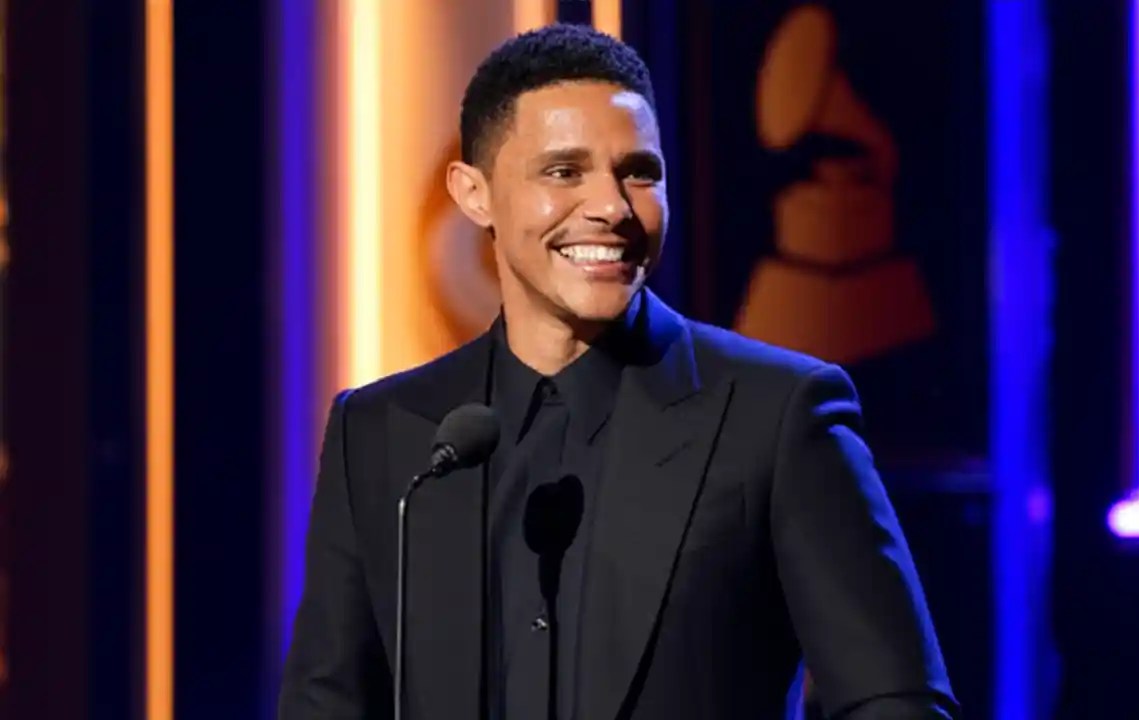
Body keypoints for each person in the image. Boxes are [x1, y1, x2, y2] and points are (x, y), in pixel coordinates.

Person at [278, 23, 957, 720]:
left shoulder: (775, 415)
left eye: (639, 171)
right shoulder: (384, 434)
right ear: (473, 193)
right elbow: (324, 702)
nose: (611, 207)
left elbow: (895, 702)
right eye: (564, 171)